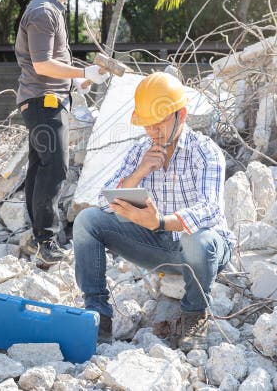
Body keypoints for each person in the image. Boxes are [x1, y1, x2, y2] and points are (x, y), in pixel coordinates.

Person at [73, 72, 235, 351]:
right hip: (159, 248)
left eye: (159, 123)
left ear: (181, 115)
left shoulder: (205, 151)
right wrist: (139, 173)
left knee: (197, 239)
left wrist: (160, 222)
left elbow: (209, 211)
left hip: (202, 252)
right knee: (87, 221)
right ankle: (98, 317)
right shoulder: (140, 151)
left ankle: (194, 315)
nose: (153, 131)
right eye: (147, 124)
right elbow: (103, 201)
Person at [15, 0, 109, 265]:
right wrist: (83, 72)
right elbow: (42, 65)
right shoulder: (43, 12)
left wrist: (79, 81)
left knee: (40, 169)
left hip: (47, 100)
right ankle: (47, 241)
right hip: (44, 103)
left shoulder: (48, 8)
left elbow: (51, 66)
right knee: (55, 169)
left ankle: (36, 238)